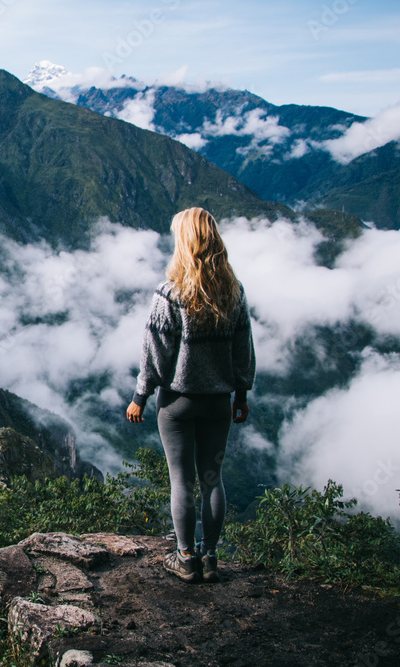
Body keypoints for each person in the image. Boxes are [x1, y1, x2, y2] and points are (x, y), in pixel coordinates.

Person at [126, 207, 255, 583]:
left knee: (180, 480)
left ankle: (185, 558)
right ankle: (211, 557)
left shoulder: (169, 293)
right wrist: (241, 394)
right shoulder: (233, 292)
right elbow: (242, 349)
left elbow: (154, 352)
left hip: (177, 403)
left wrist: (140, 395)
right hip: (218, 402)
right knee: (212, 478)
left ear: (183, 242)